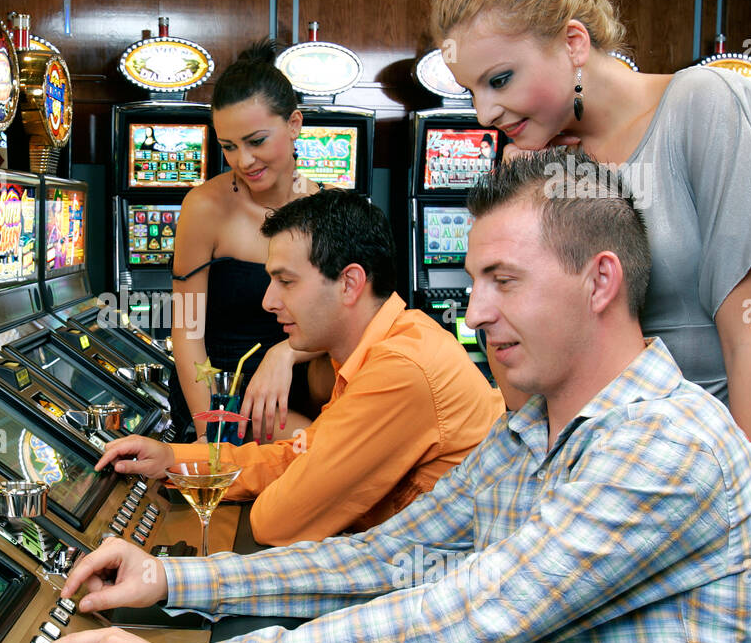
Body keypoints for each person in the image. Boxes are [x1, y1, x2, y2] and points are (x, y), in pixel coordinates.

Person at [26, 150, 751, 643]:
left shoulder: (662, 443)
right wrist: (175, 578)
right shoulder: (532, 430)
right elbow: (384, 559)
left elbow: (461, 620)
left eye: (503, 280)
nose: (478, 310)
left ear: (600, 281)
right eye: (474, 279)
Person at [430, 0, 751, 507]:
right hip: (591, 482)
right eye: (471, 90)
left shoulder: (706, 105)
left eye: (499, 80)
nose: (484, 113)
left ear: (574, 43)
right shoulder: (533, 166)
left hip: (711, 467)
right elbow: (526, 384)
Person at [99, 189, 503, 547]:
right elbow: (295, 459)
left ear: (349, 283)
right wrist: (174, 458)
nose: (268, 301)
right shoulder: (384, 343)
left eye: (286, 282)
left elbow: (275, 521)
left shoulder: (399, 368)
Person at [170, 40, 330, 445]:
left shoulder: (328, 206)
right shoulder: (204, 207)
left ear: (294, 124)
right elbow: (187, 330)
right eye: (228, 146)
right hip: (224, 392)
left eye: (256, 141)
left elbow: (355, 324)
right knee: (325, 454)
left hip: (305, 384)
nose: (243, 161)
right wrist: (213, 425)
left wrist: (287, 354)